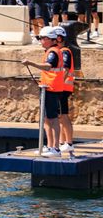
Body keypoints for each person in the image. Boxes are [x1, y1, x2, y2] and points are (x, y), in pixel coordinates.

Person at [25, 26, 75, 156]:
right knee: (47, 118)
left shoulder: (55, 52)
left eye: (42, 38)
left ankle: (58, 147)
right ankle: (50, 146)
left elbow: (51, 67)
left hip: (54, 88)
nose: (40, 41)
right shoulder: (52, 51)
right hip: (49, 87)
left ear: (52, 39)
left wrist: (31, 63)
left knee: (55, 118)